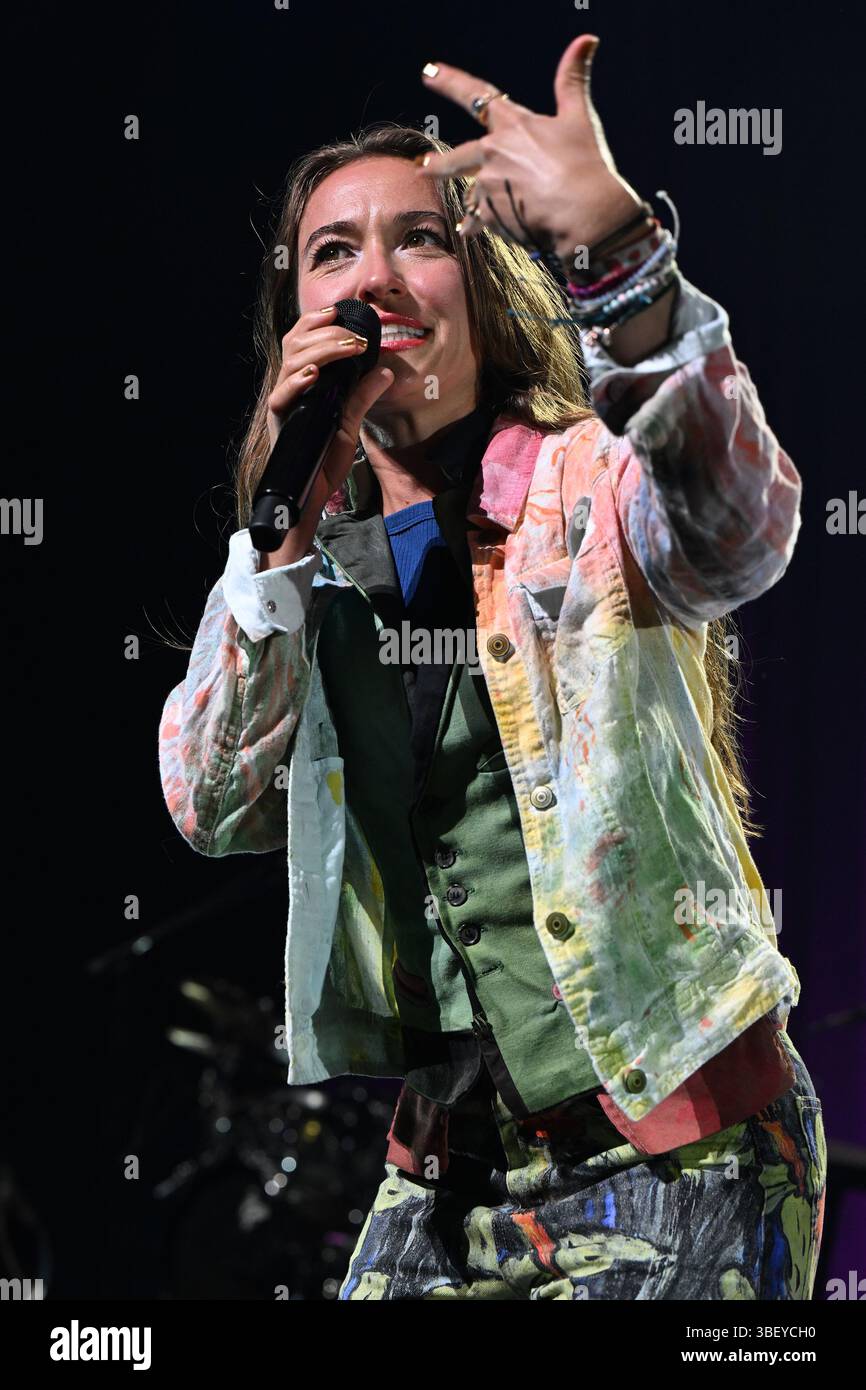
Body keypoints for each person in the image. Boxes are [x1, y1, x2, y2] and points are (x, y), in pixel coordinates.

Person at [158, 36, 826, 1299]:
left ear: (481, 280)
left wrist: (622, 257)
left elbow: (740, 527)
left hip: (682, 1142)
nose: (374, 280)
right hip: (454, 1165)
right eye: (333, 251)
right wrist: (279, 529)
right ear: (298, 312)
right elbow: (208, 804)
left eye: (417, 238)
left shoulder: (584, 479)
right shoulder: (325, 569)